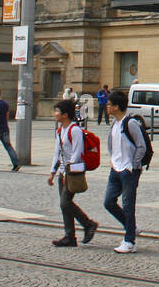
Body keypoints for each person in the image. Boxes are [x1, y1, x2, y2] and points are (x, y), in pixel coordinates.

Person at [47, 98, 98, 247]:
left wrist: (67, 172)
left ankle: (88, 224)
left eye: (57, 111)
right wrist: (53, 172)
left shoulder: (74, 130)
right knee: (65, 204)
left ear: (65, 115)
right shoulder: (60, 130)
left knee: (65, 203)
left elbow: (77, 153)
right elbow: (58, 153)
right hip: (63, 172)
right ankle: (70, 236)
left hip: (72, 172)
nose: (55, 114)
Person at [104, 89, 146, 253]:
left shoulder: (131, 123)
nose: (106, 107)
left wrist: (133, 165)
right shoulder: (114, 124)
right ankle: (132, 227)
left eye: (109, 104)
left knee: (128, 205)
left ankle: (130, 241)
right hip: (115, 168)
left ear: (116, 106)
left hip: (129, 170)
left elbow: (141, 146)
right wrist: (113, 159)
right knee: (108, 202)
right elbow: (112, 145)